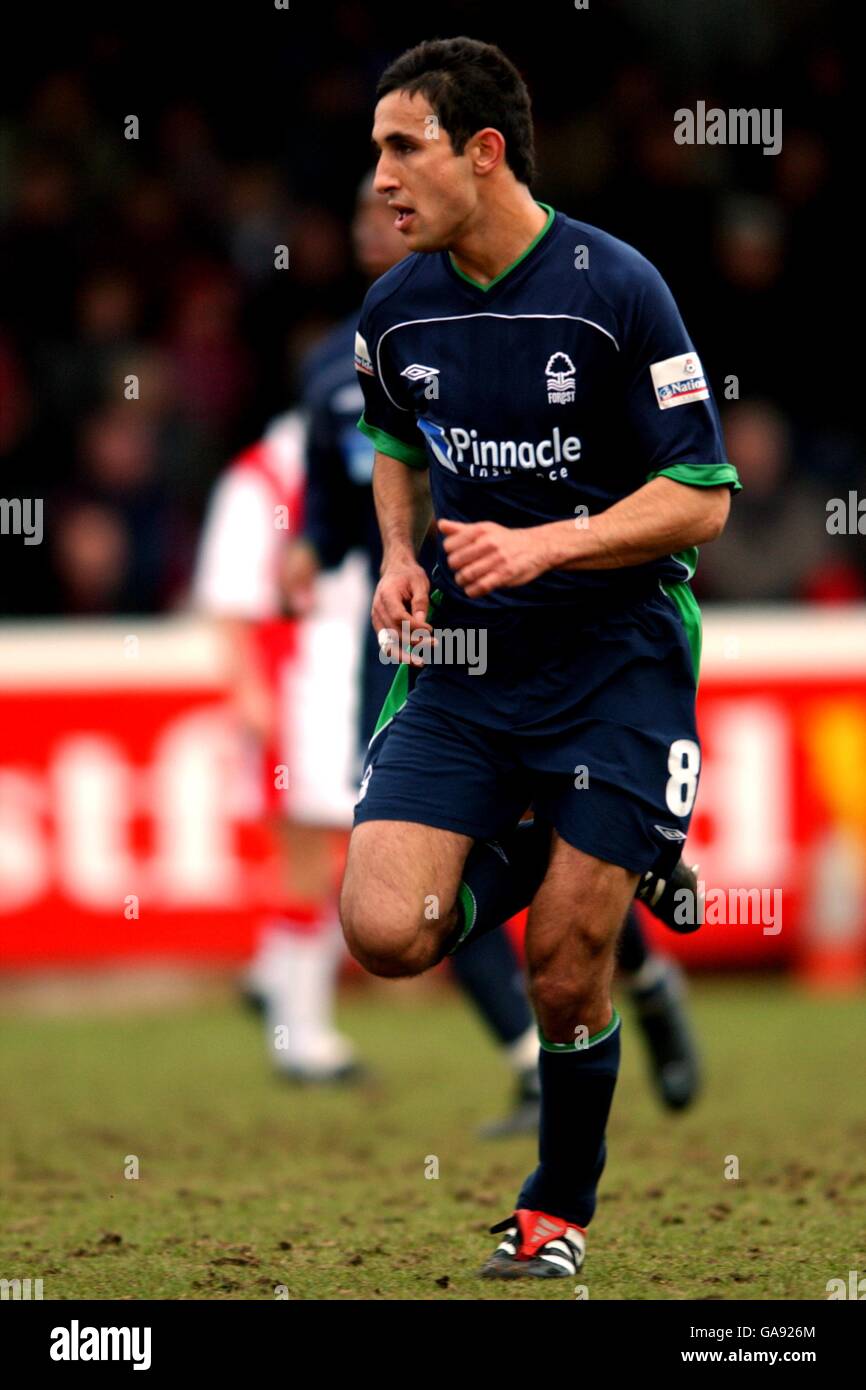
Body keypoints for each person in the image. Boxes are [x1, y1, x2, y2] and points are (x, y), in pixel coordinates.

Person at [339, 37, 740, 1279]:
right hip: (464, 660)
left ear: (483, 150)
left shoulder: (614, 288)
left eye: (402, 148)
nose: (380, 181)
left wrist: (553, 544)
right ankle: (601, 858)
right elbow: (395, 438)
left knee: (564, 964)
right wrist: (400, 555)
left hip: (615, 652)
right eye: (373, 155)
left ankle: (555, 1205)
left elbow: (702, 496)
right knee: (383, 929)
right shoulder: (395, 305)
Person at [287, 173, 704, 1134]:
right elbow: (346, 472)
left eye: (399, 170)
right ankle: (531, 1056)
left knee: (569, 895)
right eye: (361, 203)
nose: (378, 217)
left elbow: (693, 488)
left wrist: (550, 545)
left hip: (580, 634)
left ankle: (633, 986)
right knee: (407, 884)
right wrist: (329, 548)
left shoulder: (587, 298)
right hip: (423, 628)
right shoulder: (353, 350)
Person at [194, 410, 366, 1083]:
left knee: (347, 850)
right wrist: (249, 691)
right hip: (294, 680)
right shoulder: (259, 479)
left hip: (351, 675)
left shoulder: (374, 453)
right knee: (308, 854)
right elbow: (230, 599)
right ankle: (300, 1036)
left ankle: (277, 986)